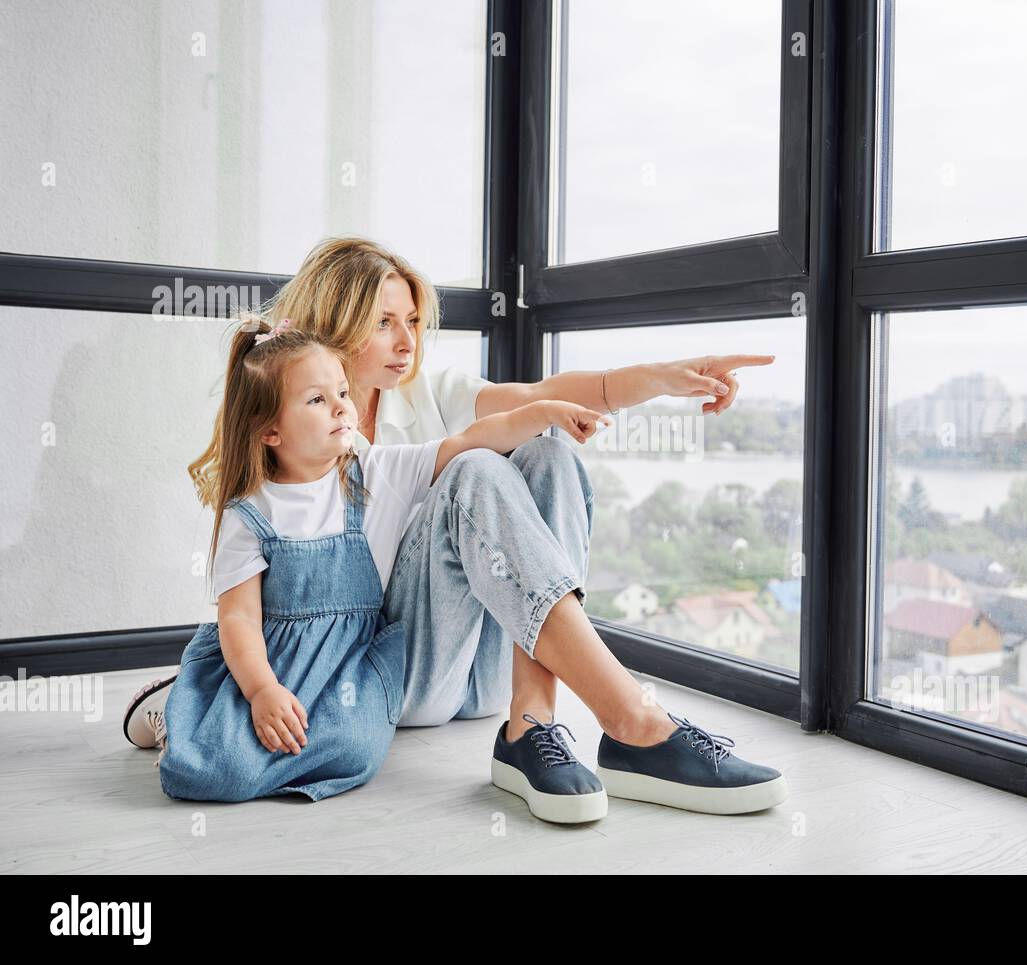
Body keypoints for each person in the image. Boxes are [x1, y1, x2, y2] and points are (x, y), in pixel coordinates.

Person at [128, 236, 788, 821]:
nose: (406, 340)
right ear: (334, 321)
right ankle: (633, 718)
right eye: (384, 322)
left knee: (546, 447)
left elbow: (551, 390)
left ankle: (531, 725)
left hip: (483, 670)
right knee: (475, 468)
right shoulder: (288, 432)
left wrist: (666, 377)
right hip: (389, 672)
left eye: (413, 320)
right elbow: (248, 603)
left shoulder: (426, 392)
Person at [150, 319, 609, 803]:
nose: (342, 407)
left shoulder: (374, 471)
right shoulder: (252, 512)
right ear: (269, 431)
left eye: (342, 392)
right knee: (221, 766)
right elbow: (239, 616)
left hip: (477, 684)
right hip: (349, 678)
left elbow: (470, 441)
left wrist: (541, 412)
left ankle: (539, 722)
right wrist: (263, 690)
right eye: (317, 400)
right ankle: (180, 712)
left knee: (541, 455)